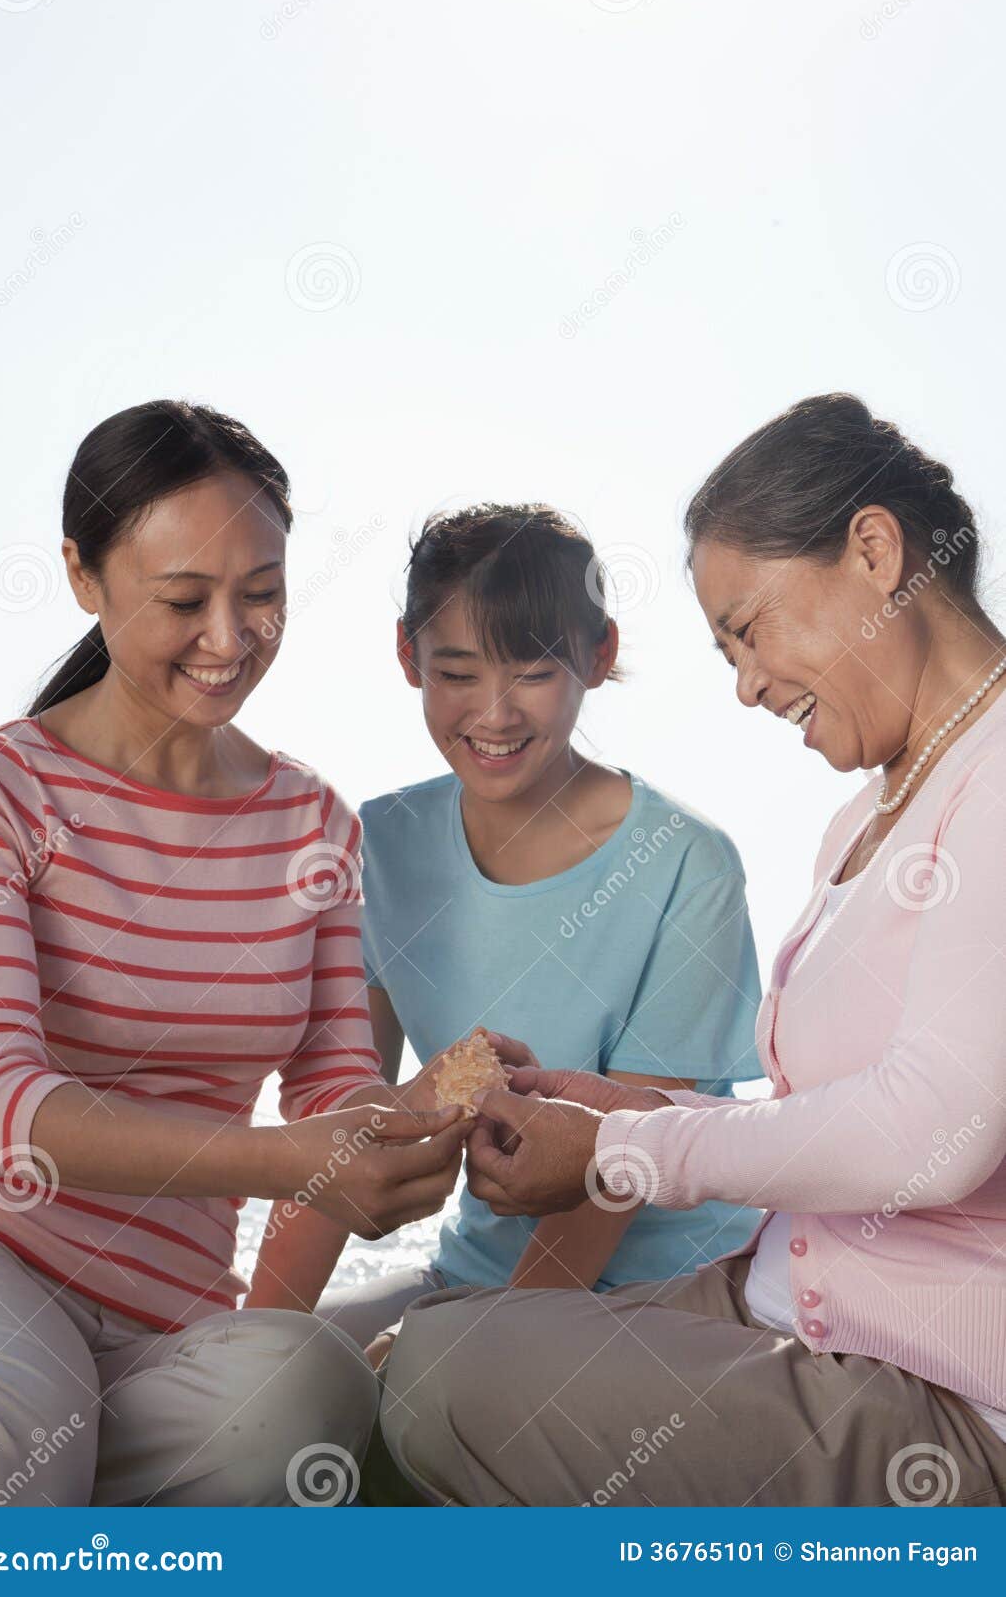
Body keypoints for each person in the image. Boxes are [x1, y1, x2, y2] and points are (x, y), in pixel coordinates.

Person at [378, 394, 1006, 1508]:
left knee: (440, 1376)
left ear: (872, 553)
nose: (745, 684)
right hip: (783, 1306)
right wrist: (611, 1114)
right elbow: (821, 1114)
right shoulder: (863, 819)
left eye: (748, 629)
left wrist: (623, 1153)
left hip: (945, 1390)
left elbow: (933, 1131)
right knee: (407, 1375)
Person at [0, 399, 510, 1506]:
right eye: (183, 601)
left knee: (305, 1395)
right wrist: (284, 1159)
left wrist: (418, 1122)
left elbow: (334, 1084)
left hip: (166, 1325)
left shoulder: (312, 828)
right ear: (82, 575)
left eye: (261, 596)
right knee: (26, 1415)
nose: (229, 638)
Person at [290, 503, 763, 1353]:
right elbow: (353, 1114)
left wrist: (485, 1343)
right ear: (409, 657)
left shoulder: (688, 863)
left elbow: (621, 1166)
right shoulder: (380, 844)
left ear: (599, 653)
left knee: (421, 1387)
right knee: (268, 1375)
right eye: (459, 673)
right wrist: (249, 1337)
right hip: (471, 1272)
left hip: (681, 1288)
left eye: (534, 672)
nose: (495, 714)